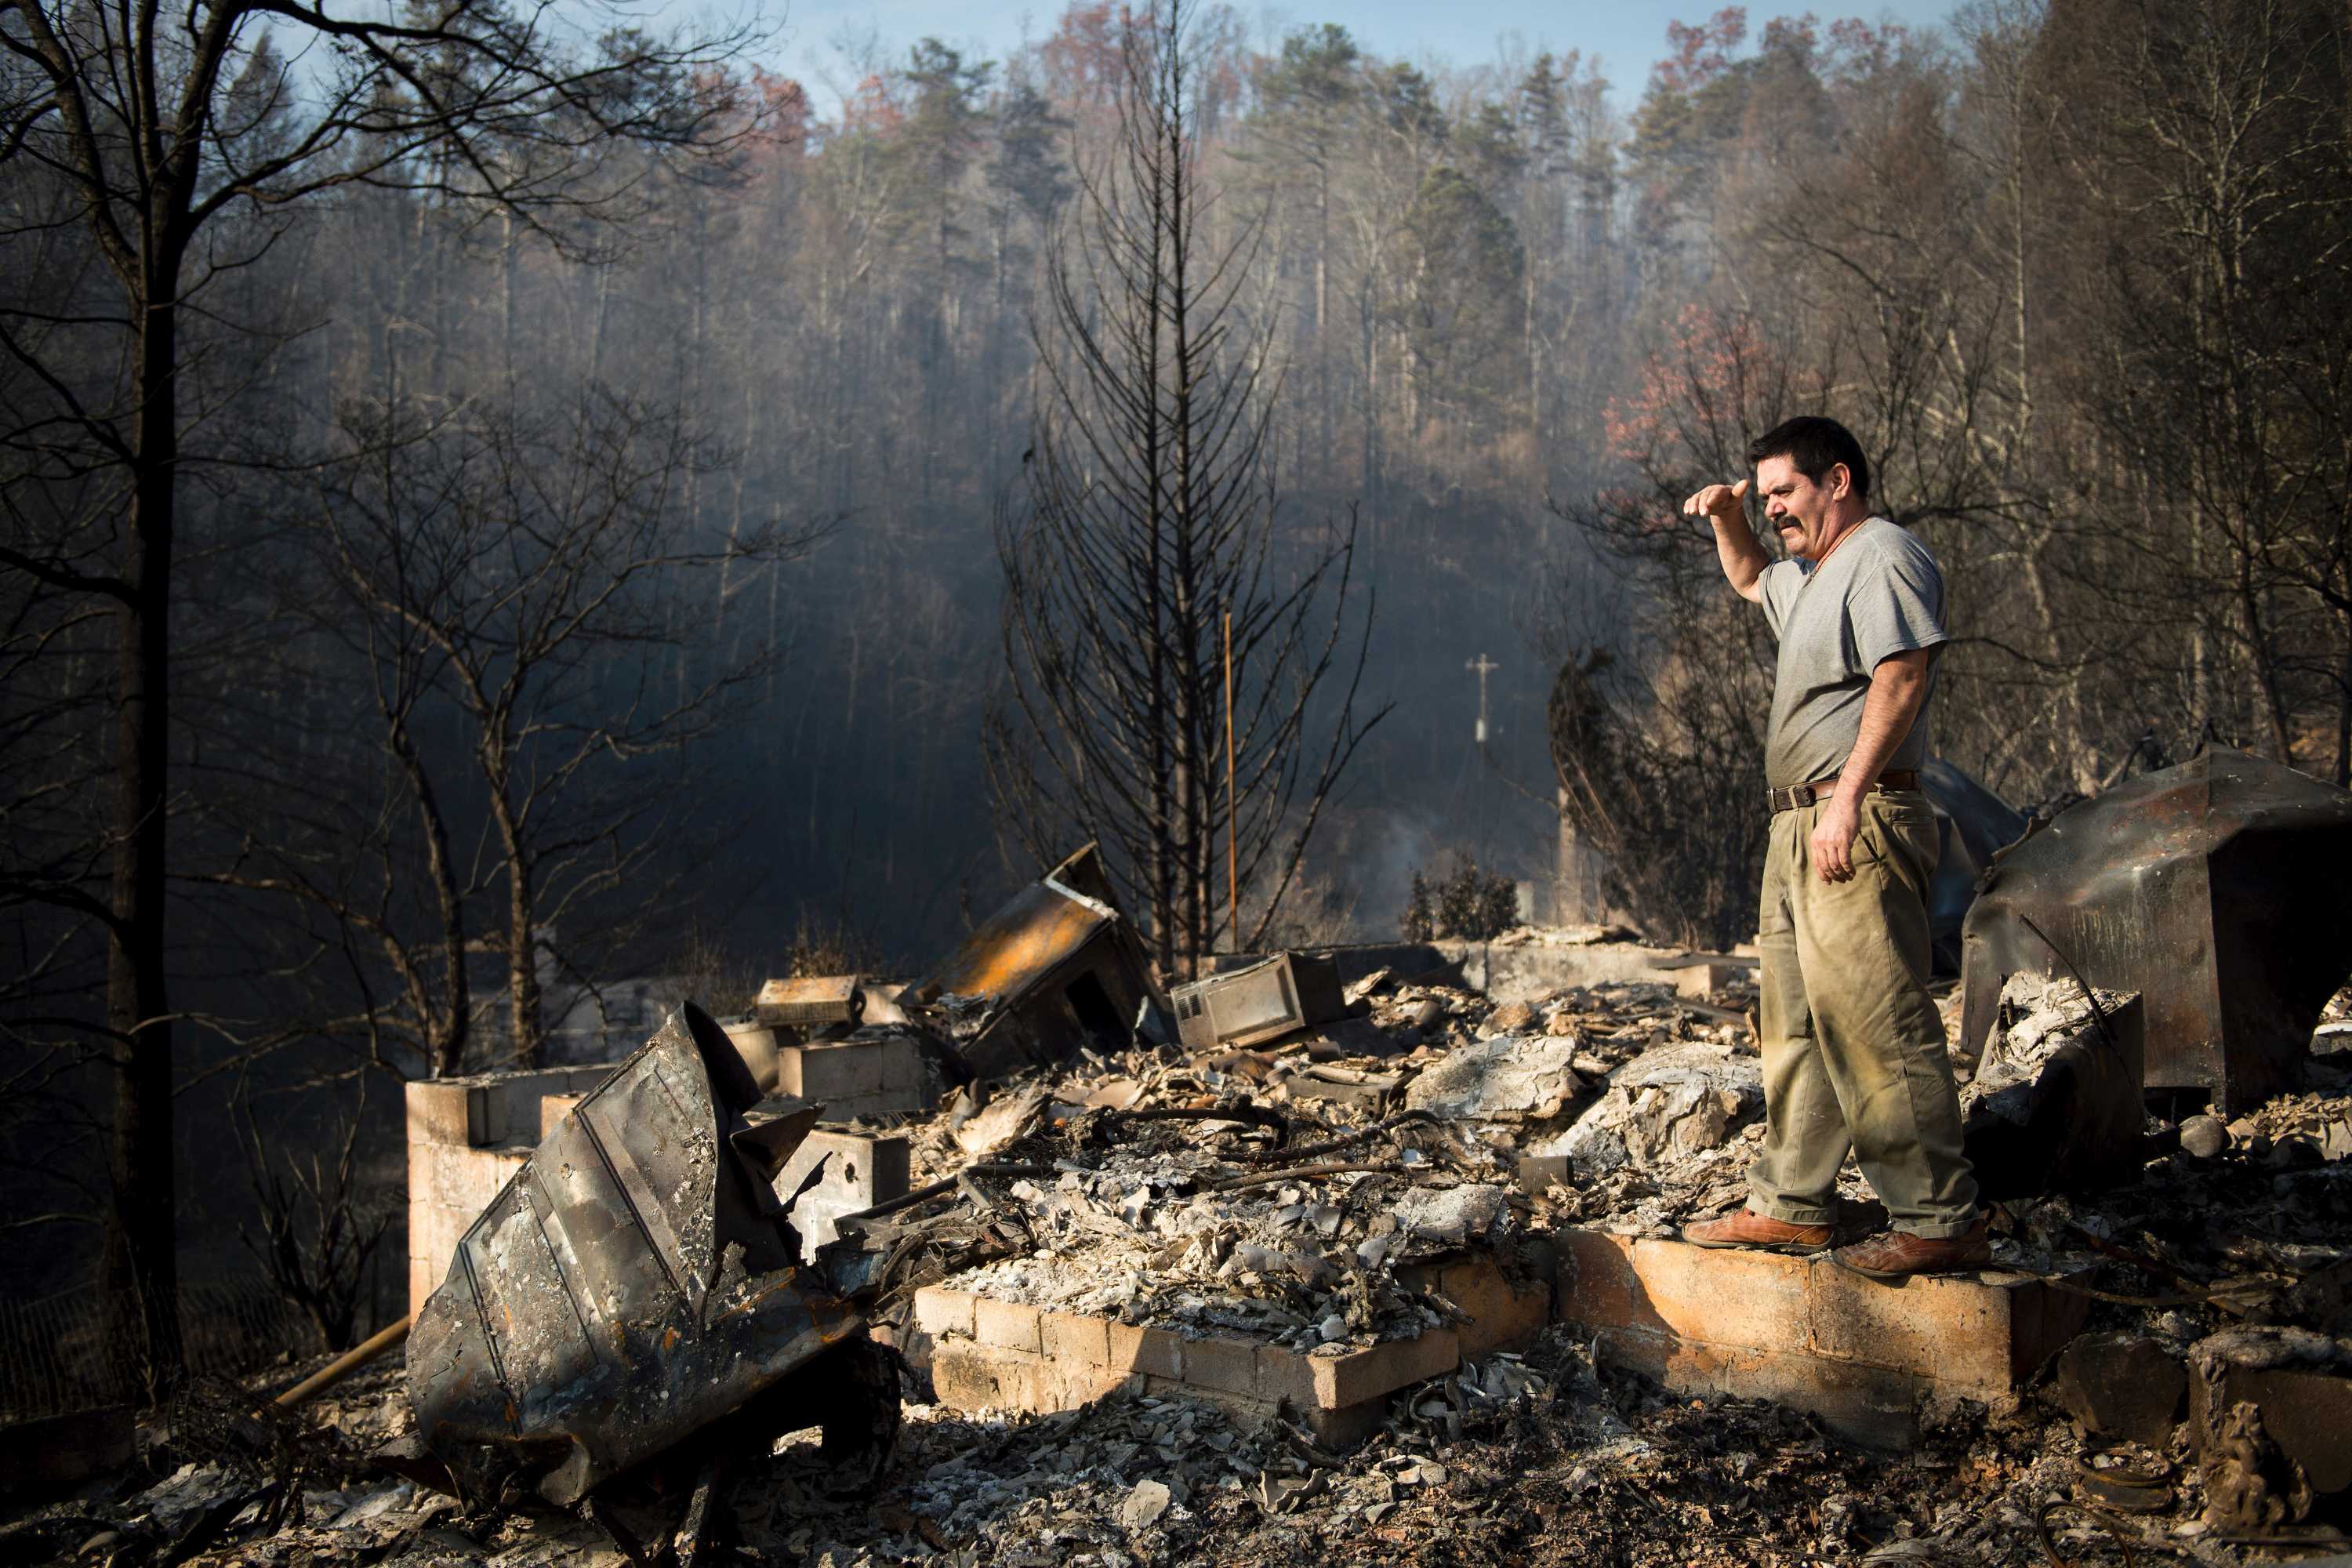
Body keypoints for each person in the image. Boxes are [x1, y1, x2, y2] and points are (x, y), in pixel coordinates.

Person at [1676, 416, 1986, 1279]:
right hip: (1797, 823)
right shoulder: (1812, 575)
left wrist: (1846, 801)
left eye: (1785, 491)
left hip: (1857, 812)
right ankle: (1793, 1205)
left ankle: (1937, 1215)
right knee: (1797, 1024)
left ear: (1838, 480)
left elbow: (1903, 674)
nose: (1774, 507)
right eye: (1766, 492)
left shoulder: (1880, 553)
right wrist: (1726, 514)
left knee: (1874, 1017)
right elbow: (1748, 581)